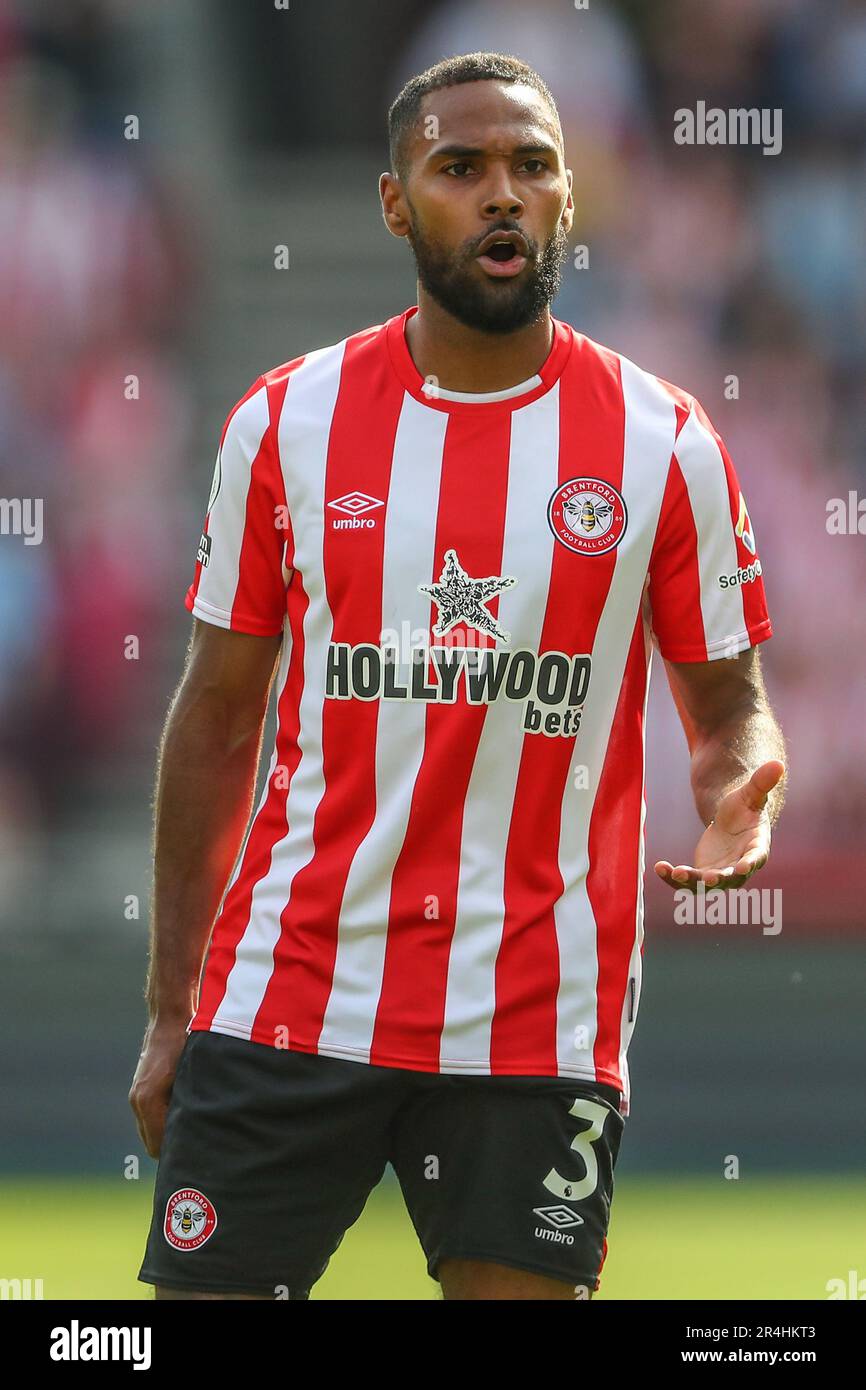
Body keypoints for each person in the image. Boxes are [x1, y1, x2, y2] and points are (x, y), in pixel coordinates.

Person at [130, 52, 787, 1302]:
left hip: (535, 1011)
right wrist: (173, 1007)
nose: (501, 194)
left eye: (530, 167)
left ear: (565, 201)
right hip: (291, 991)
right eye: (460, 168)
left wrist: (738, 785)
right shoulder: (285, 423)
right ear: (395, 204)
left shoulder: (664, 444)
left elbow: (725, 705)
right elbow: (213, 721)